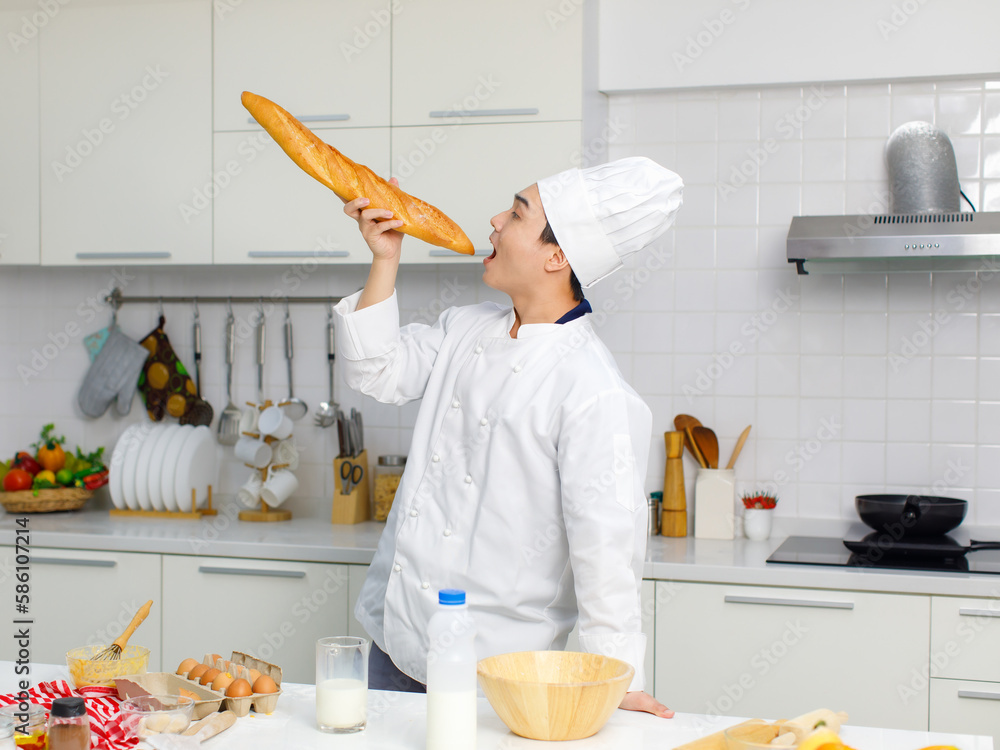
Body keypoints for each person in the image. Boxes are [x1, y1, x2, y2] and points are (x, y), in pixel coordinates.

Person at [332, 156, 683, 716]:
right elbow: (375, 368)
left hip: (494, 675)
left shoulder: (593, 389)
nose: (494, 220)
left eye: (516, 214)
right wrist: (385, 258)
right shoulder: (467, 327)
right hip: (395, 640)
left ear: (557, 255)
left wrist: (617, 676)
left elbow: (607, 547)